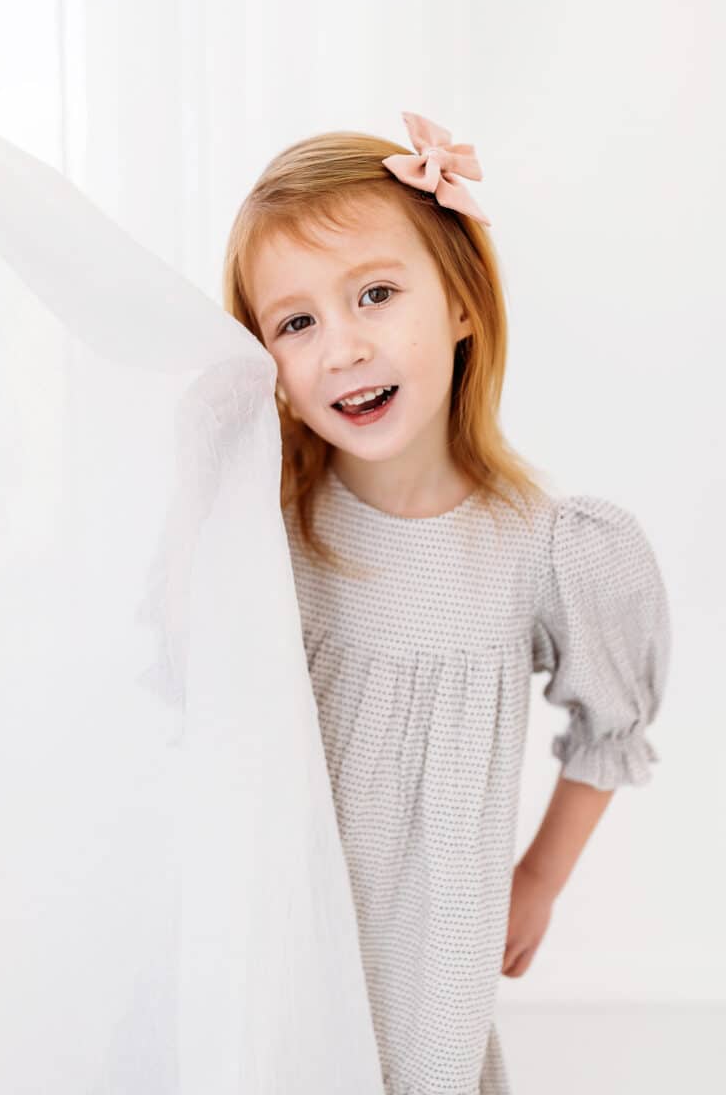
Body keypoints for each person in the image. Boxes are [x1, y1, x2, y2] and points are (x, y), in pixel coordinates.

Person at [219, 111, 672, 1094]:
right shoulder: (266, 531)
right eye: (296, 322)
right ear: (277, 376)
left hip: (430, 955)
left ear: (462, 302)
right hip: (276, 927)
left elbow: (611, 722)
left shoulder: (546, 549)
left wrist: (539, 880)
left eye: (374, 294)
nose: (341, 346)